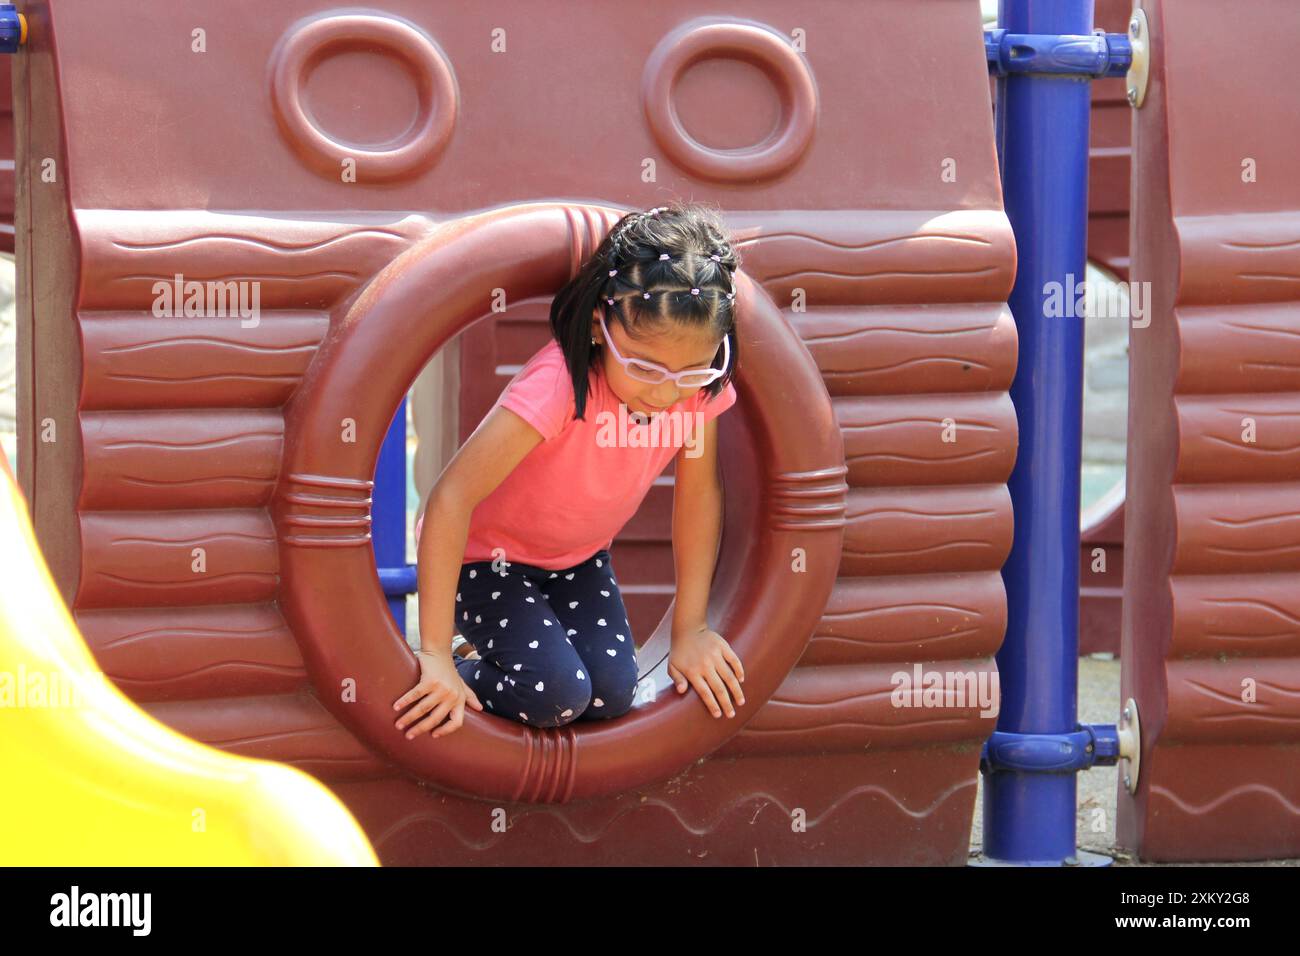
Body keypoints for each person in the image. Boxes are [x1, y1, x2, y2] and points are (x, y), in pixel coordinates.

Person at [393, 201, 746, 739]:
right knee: (555, 693)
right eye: (645, 366)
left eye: (692, 370)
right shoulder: (557, 386)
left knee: (610, 694)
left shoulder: (694, 394)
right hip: (485, 562)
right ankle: (465, 657)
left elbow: (698, 497)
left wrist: (691, 626)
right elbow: (451, 498)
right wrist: (434, 653)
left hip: (577, 562)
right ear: (602, 325)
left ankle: (495, 652)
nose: (665, 391)